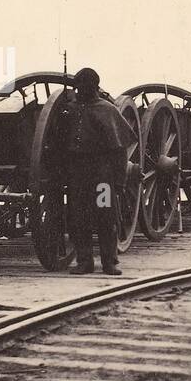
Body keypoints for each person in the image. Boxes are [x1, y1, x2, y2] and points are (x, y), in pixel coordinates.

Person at [64, 67, 136, 276]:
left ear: (94, 87)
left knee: (106, 217)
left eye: (82, 88)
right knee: (79, 217)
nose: (79, 92)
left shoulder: (108, 110)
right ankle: (84, 262)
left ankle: (109, 262)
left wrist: (120, 181)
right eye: (77, 89)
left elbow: (120, 150)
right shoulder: (70, 109)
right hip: (79, 174)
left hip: (102, 175)